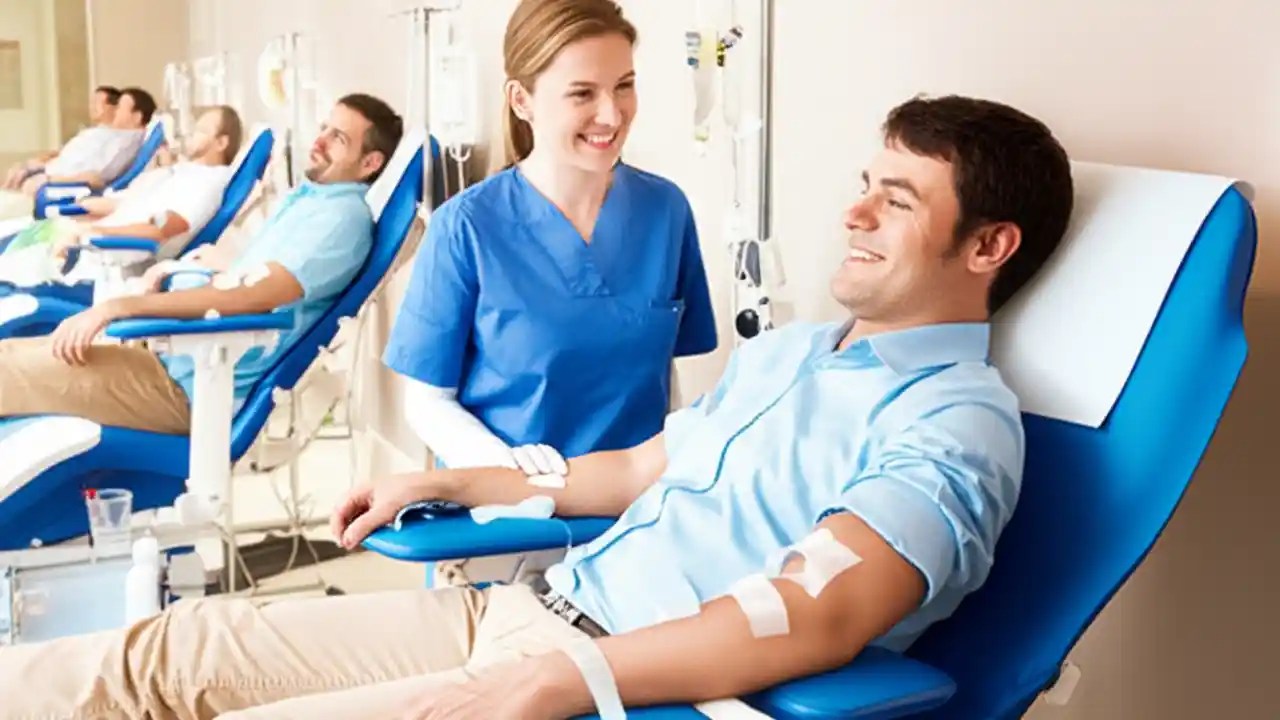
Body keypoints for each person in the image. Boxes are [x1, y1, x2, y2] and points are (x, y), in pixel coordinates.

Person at [0, 93, 1074, 720]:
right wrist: (460, 479)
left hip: (610, 683)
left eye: (895, 199)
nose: (851, 210)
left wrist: (562, 679)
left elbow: (815, 615)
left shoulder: (954, 419)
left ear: (986, 247)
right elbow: (641, 465)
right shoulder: (794, 353)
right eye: (862, 182)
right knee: (169, 653)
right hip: (524, 611)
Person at [382, 0, 716, 585]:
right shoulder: (468, 226)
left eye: (625, 86)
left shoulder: (665, 210)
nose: (611, 114)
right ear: (522, 100)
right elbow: (426, 401)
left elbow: (665, 381)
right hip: (503, 531)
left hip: (631, 527)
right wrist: (507, 473)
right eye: (582, 93)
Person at [0, 93, 403, 435]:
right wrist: (176, 271)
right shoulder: (311, 201)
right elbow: (240, 280)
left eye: (339, 138)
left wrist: (114, 308)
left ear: (370, 164)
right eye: (324, 128)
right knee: (9, 357)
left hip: (188, 386)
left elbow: (252, 298)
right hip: (171, 361)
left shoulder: (339, 221)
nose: (319, 141)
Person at [0, 105, 245, 292]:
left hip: (99, 259)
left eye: (201, 131)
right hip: (82, 242)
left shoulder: (207, 182)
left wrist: (90, 233)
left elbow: (161, 228)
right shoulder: (182, 172)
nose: (191, 135)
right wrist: (80, 212)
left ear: (221, 143)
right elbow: (128, 204)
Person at [0, 85, 121, 190]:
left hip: (59, 179)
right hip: (51, 169)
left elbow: (94, 173)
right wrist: (37, 162)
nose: (92, 106)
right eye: (91, 102)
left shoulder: (114, 138)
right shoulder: (90, 133)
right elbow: (65, 153)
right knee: (15, 171)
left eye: (97, 103)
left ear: (114, 107)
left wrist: (50, 177)